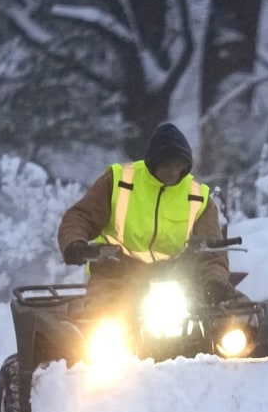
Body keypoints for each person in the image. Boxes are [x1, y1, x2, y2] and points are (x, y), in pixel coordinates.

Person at [57, 122, 241, 304]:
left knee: (235, 321)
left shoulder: (198, 197)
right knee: (95, 326)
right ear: (152, 163)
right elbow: (80, 217)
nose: (172, 171)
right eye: (166, 164)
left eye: (178, 165)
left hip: (179, 284)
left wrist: (215, 281)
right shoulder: (119, 181)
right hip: (114, 277)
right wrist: (75, 244)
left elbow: (213, 251)